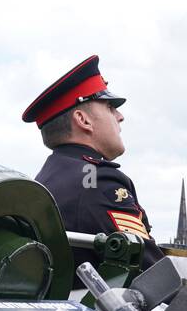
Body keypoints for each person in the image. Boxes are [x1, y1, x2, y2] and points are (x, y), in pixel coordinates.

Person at [22, 56, 161, 279]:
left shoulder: (47, 178)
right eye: (109, 107)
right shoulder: (99, 182)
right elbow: (154, 274)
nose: (120, 116)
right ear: (83, 120)